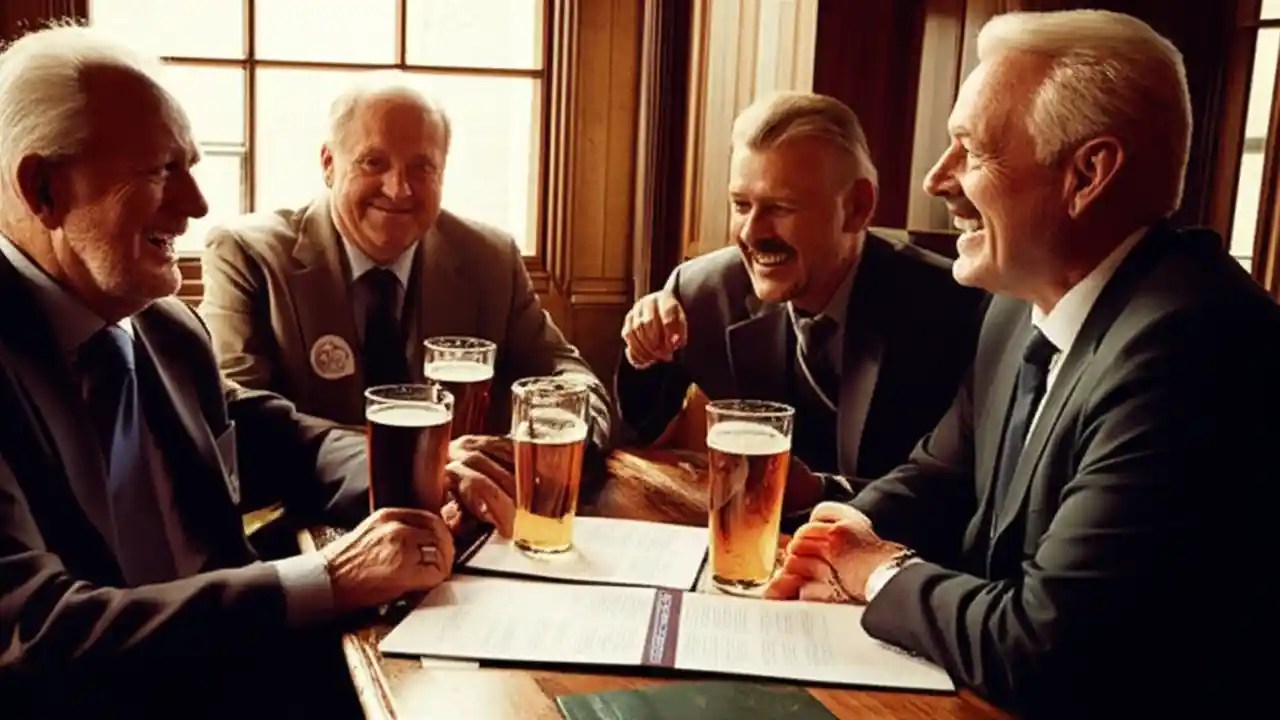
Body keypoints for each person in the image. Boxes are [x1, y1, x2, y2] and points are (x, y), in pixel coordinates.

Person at [764, 10, 1278, 717]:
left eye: (971, 150)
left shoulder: (1193, 345)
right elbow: (940, 477)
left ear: (1088, 173)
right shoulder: (1014, 308)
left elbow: (1045, 647)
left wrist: (876, 572)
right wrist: (830, 535)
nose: (935, 179)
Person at [0, 27, 456, 718]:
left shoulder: (163, 325)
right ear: (43, 188)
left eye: (190, 166)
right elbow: (32, 633)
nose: (197, 204)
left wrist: (429, 471)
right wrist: (328, 577)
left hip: (244, 678)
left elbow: (280, 438)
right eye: (160, 171)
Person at [199, 74, 613, 537]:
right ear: (329, 164)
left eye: (422, 167)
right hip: (313, 530)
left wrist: (554, 439)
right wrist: (426, 461)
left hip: (465, 526)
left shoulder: (489, 257)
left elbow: (567, 375)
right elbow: (240, 427)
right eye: (373, 162)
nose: (398, 189)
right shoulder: (249, 255)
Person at [615, 92, 986, 517]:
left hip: (892, 543)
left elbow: (958, 493)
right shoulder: (702, 292)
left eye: (781, 207)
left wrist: (822, 492)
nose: (751, 233)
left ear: (857, 207)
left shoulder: (953, 306)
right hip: (748, 543)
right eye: (741, 205)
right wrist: (644, 352)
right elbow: (641, 427)